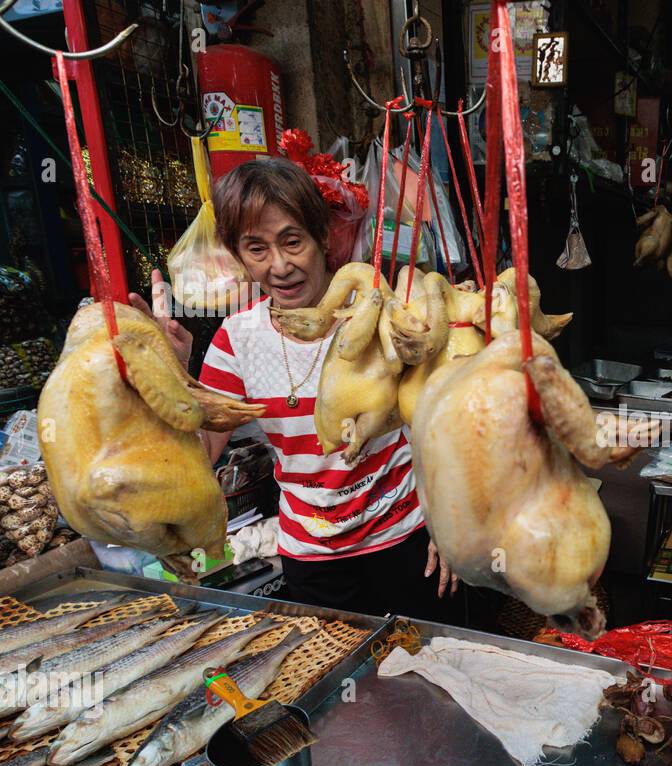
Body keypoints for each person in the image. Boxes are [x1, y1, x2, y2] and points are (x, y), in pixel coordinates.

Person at [131, 157, 458, 619]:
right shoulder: (237, 340)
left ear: (321, 237)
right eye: (257, 248)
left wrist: (451, 524)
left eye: (292, 241)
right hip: (312, 561)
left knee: (428, 677)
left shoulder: (384, 314)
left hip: (406, 542)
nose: (280, 266)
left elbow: (443, 422)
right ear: (238, 255)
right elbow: (199, 454)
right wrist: (173, 374)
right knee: (350, 684)